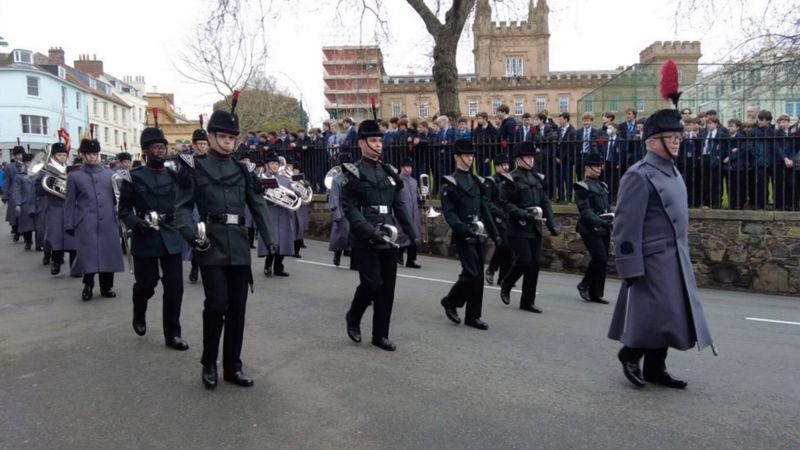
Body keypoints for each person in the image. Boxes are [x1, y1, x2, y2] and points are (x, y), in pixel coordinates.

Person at [608, 92, 716, 390]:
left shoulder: (672, 171)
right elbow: (625, 226)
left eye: (679, 137)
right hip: (651, 259)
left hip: (675, 256)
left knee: (673, 314)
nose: (678, 141)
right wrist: (629, 265)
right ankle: (629, 354)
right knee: (659, 315)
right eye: (671, 137)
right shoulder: (638, 175)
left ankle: (656, 368)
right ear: (653, 141)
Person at [174, 97, 276, 389]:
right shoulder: (194, 168)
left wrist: (271, 239)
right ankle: (209, 362)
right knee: (216, 304)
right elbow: (181, 210)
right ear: (210, 136)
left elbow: (257, 205)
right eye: (223, 136)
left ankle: (233, 365)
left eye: (232, 137)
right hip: (210, 244)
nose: (229, 142)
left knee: (237, 309)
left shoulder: (243, 170)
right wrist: (192, 236)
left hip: (239, 245)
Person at [341, 119, 417, 352]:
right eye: (373, 140)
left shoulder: (389, 172)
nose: (378, 145)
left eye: (380, 140)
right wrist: (369, 231)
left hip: (389, 234)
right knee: (372, 283)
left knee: (387, 288)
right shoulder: (353, 172)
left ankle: (380, 335)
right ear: (361, 143)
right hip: (365, 236)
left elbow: (399, 204)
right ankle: (353, 316)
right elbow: (350, 209)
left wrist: (411, 231)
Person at [117, 125, 189, 351]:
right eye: (156, 147)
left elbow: (188, 194)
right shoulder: (133, 177)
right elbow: (124, 211)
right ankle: (139, 310)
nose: (161, 150)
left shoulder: (173, 175)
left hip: (171, 235)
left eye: (163, 147)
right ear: (145, 151)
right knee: (147, 284)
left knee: (175, 287)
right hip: (145, 236)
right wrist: (138, 224)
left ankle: (173, 334)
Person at [439, 139, 501, 330]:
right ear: (457, 157)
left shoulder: (476, 181)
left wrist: (495, 234)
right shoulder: (450, 183)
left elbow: (484, 209)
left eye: (471, 155)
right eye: (466, 155)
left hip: (479, 233)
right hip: (464, 233)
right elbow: (449, 214)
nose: (470, 158)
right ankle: (451, 301)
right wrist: (465, 229)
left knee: (477, 275)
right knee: (472, 273)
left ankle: (473, 316)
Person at [498, 141, 559, 313]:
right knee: (524, 260)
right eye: (527, 157)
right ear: (518, 159)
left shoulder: (537, 178)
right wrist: (522, 213)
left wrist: (552, 224)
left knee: (534, 264)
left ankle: (527, 301)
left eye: (532, 157)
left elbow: (545, 202)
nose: (531, 160)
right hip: (518, 226)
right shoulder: (510, 179)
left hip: (535, 227)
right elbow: (505, 203)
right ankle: (507, 283)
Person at [64, 136, 125, 301]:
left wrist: (122, 218)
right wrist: (70, 223)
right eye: (88, 154)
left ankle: (107, 286)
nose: (92, 157)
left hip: (108, 220)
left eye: (94, 154)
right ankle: (88, 285)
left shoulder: (110, 175)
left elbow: (118, 199)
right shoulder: (75, 176)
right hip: (86, 222)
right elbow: (69, 202)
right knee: (88, 255)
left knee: (108, 254)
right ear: (82, 155)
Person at [574, 152, 612, 304]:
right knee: (599, 257)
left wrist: (611, 218)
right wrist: (599, 221)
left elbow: (606, 206)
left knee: (603, 260)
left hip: (604, 226)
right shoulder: (582, 186)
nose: (598, 169)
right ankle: (584, 284)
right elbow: (584, 210)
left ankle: (596, 293)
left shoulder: (603, 185)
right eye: (595, 166)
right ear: (587, 168)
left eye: (599, 166)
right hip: (588, 227)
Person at [257, 152, 295, 277]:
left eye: (276, 164)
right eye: (272, 164)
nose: (274, 166)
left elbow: (292, 194)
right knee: (272, 242)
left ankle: (279, 267)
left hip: (283, 213)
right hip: (270, 212)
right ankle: (268, 265)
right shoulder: (262, 179)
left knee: (284, 242)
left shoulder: (285, 179)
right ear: (267, 165)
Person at [42, 143, 76, 275]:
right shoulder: (46, 170)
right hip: (55, 206)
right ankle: (56, 261)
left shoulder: (71, 170)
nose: (62, 157)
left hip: (70, 207)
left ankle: (74, 265)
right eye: (59, 155)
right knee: (56, 237)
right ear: (53, 156)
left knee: (72, 237)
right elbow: (38, 189)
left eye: (64, 155)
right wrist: (51, 184)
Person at [484, 153, 513, 286]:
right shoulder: (491, 181)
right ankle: (491, 269)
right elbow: (488, 203)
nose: (506, 167)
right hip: (495, 219)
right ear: (497, 167)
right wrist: (501, 213)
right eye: (503, 165)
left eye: (507, 164)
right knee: (503, 244)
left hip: (508, 218)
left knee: (509, 248)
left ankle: (504, 278)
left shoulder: (510, 181)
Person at [395, 158, 421, 269]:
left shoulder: (414, 182)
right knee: (402, 235)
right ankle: (398, 255)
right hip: (403, 212)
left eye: (410, 167)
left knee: (414, 236)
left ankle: (411, 260)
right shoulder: (397, 180)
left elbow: (417, 197)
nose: (409, 169)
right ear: (402, 167)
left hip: (414, 212)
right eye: (406, 167)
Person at [328, 152, 353, 267]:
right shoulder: (336, 180)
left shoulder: (353, 177)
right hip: (342, 210)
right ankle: (337, 254)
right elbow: (334, 197)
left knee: (352, 235)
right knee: (341, 235)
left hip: (352, 209)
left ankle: (350, 252)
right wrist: (337, 213)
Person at [11, 153, 35, 250]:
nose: (29, 164)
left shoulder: (38, 173)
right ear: (24, 163)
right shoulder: (19, 176)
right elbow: (16, 190)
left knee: (39, 225)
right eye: (27, 162)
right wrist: (18, 203)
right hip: (25, 202)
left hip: (37, 201)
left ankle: (40, 244)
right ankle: (28, 241)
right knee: (26, 224)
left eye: (31, 162)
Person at [4, 145, 25, 241]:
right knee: (15, 214)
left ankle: (25, 233)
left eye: (21, 154)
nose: (20, 156)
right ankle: (16, 231)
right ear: (14, 156)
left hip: (26, 192)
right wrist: (5, 195)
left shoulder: (27, 165)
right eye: (17, 154)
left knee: (25, 214)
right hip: (13, 193)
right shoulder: (9, 167)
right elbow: (7, 182)